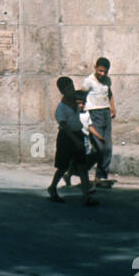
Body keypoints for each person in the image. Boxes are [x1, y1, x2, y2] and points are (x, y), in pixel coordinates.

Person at [48, 77, 98, 206]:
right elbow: (64, 126)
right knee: (63, 167)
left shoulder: (74, 102)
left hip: (78, 134)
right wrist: (76, 141)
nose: (71, 90)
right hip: (67, 137)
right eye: (68, 89)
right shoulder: (61, 107)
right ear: (62, 91)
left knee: (82, 167)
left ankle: (86, 196)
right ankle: (53, 187)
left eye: (71, 87)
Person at [83, 56, 115, 188]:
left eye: (105, 72)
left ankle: (100, 177)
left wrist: (112, 107)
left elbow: (109, 94)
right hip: (94, 114)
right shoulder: (88, 81)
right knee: (98, 148)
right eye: (100, 71)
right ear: (95, 68)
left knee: (107, 147)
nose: (102, 74)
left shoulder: (107, 80)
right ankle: (79, 169)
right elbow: (81, 96)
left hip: (105, 113)